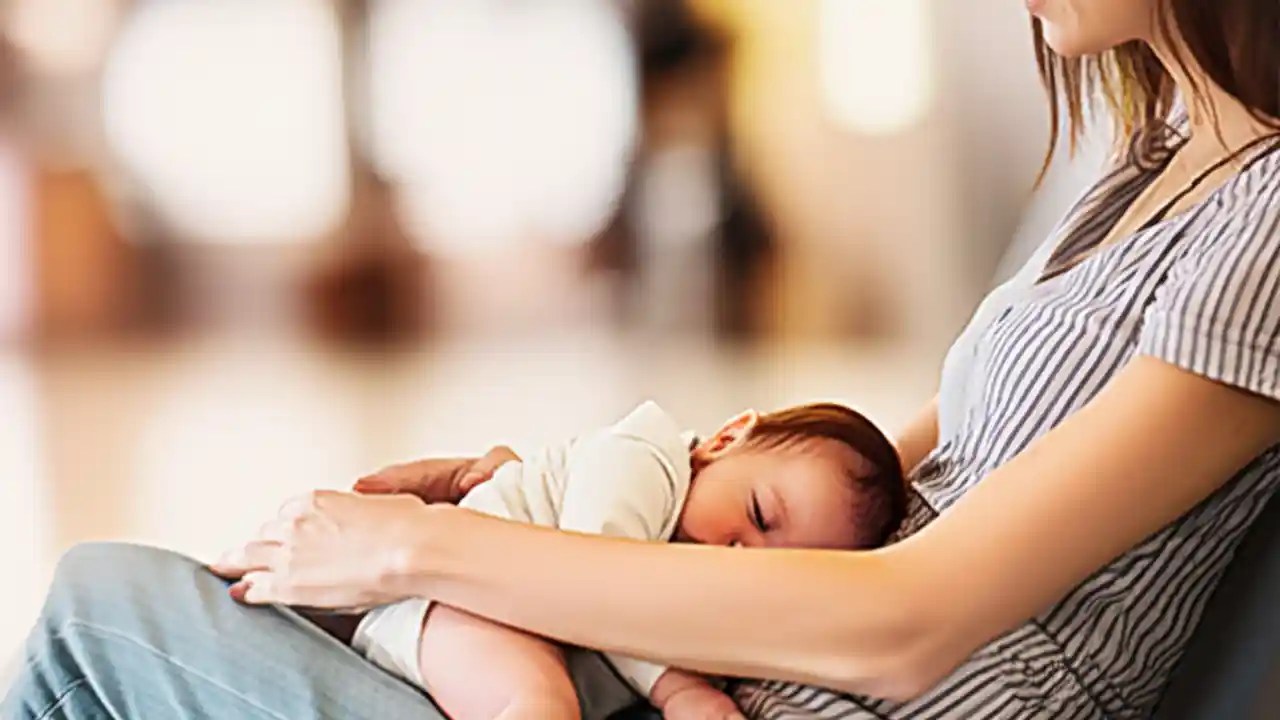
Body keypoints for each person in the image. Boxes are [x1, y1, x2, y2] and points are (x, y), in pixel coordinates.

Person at [5, 0, 1280, 717]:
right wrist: (555, 490)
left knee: (94, 612)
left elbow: (911, 622)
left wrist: (421, 549)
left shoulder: (1264, 216)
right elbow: (932, 448)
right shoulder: (1145, 161)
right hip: (728, 676)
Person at [334, 401, 903, 720]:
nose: (743, 556)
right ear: (726, 439)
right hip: (453, 603)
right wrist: (677, 689)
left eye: (780, 568)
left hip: (504, 632)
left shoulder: (723, 600)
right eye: (758, 515)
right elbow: (594, 586)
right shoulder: (644, 460)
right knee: (540, 705)